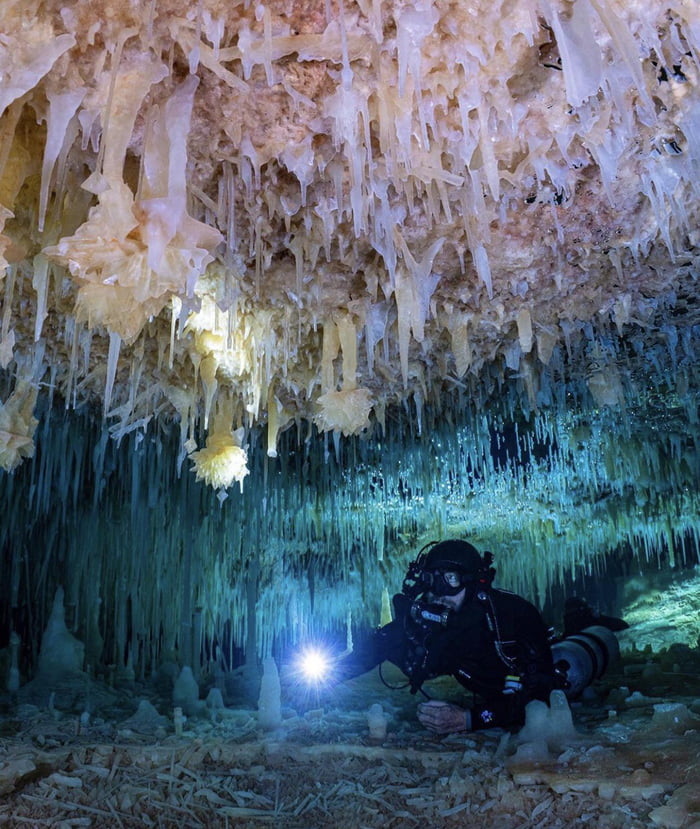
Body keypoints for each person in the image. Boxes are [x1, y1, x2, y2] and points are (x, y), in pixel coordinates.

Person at [335, 539, 559, 734]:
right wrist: (318, 678)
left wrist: (469, 719)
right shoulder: (425, 621)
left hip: (534, 684)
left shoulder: (512, 615)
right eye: (432, 580)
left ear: (473, 583)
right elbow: (373, 649)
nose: (440, 594)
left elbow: (540, 697)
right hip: (488, 693)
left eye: (451, 579)